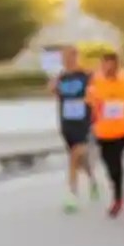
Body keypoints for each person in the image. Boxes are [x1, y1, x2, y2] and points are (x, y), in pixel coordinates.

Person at [86, 51, 124, 218]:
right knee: (108, 164)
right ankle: (116, 188)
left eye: (111, 64)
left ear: (117, 65)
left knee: (116, 163)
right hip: (103, 131)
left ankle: (118, 198)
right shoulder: (96, 81)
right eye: (105, 64)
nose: (108, 68)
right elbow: (90, 103)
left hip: (122, 130)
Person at [48, 44, 99, 212]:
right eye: (64, 57)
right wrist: (54, 84)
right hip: (66, 122)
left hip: (83, 122)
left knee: (75, 155)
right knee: (78, 158)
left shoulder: (86, 75)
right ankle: (92, 180)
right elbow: (53, 93)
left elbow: (95, 93)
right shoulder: (61, 77)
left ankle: (72, 194)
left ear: (76, 57)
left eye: (69, 56)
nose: (66, 60)